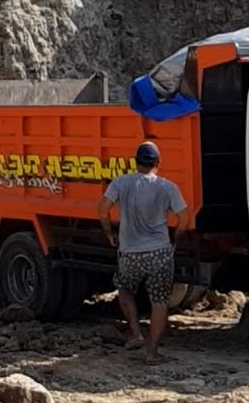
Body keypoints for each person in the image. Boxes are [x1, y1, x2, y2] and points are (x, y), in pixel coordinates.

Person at [98, 140, 191, 364]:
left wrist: (110, 233)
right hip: (159, 252)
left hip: (129, 252)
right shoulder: (168, 187)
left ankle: (136, 333)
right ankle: (152, 353)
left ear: (135, 162)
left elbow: (102, 210)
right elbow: (184, 218)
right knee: (159, 301)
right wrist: (175, 240)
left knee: (124, 289)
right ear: (158, 162)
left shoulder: (121, 182)